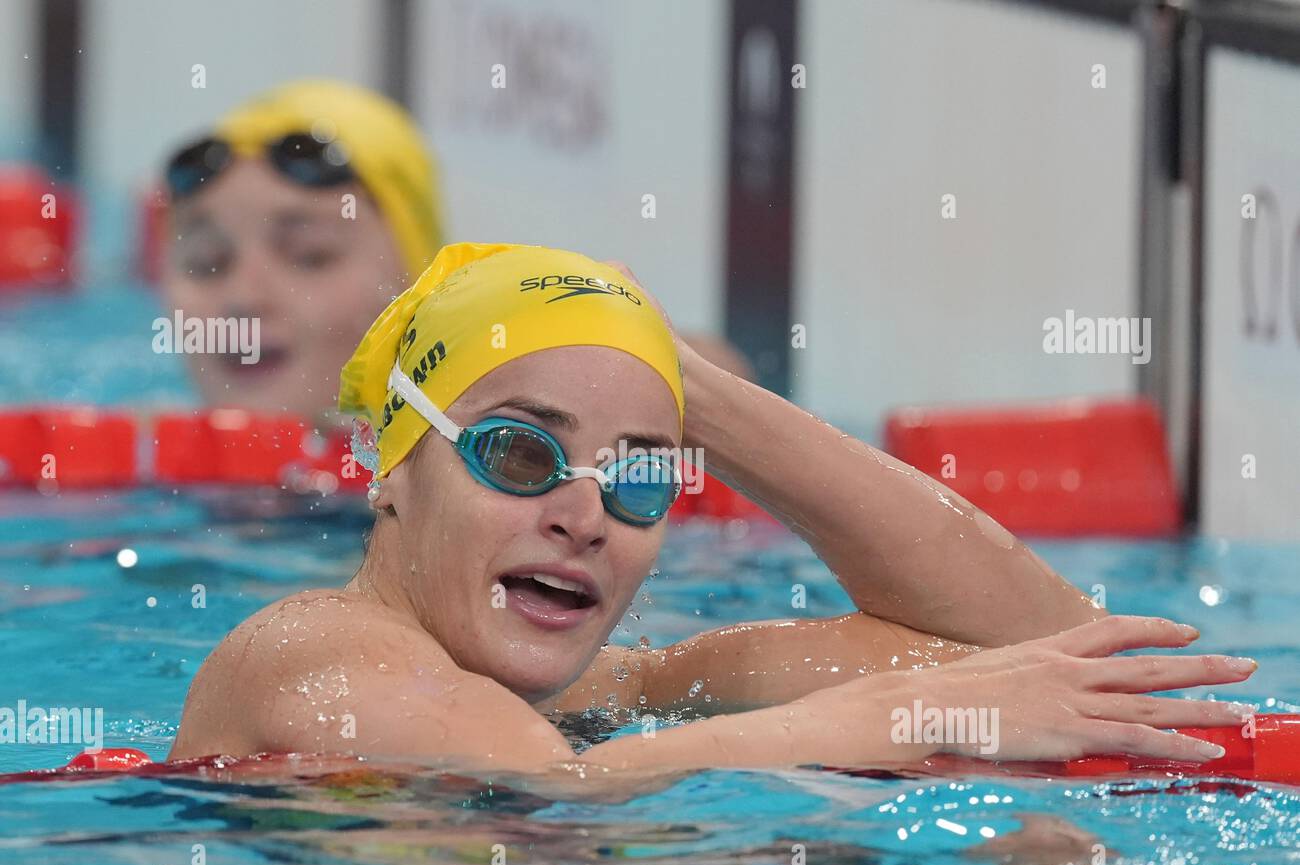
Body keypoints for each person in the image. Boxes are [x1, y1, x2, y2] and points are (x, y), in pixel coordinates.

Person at [169, 242, 1257, 781]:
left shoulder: (616, 693)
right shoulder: (305, 649)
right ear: (390, 468)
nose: (584, 513)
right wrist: (912, 717)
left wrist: (701, 394)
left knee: (1041, 835)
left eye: (640, 470)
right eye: (517, 451)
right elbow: (559, 790)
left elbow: (1047, 651)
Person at [159, 79, 753, 422]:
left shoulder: (478, 441)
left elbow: (712, 368)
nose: (242, 297)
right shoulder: (139, 461)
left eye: (310, 256)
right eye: (206, 263)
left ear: (416, 284)